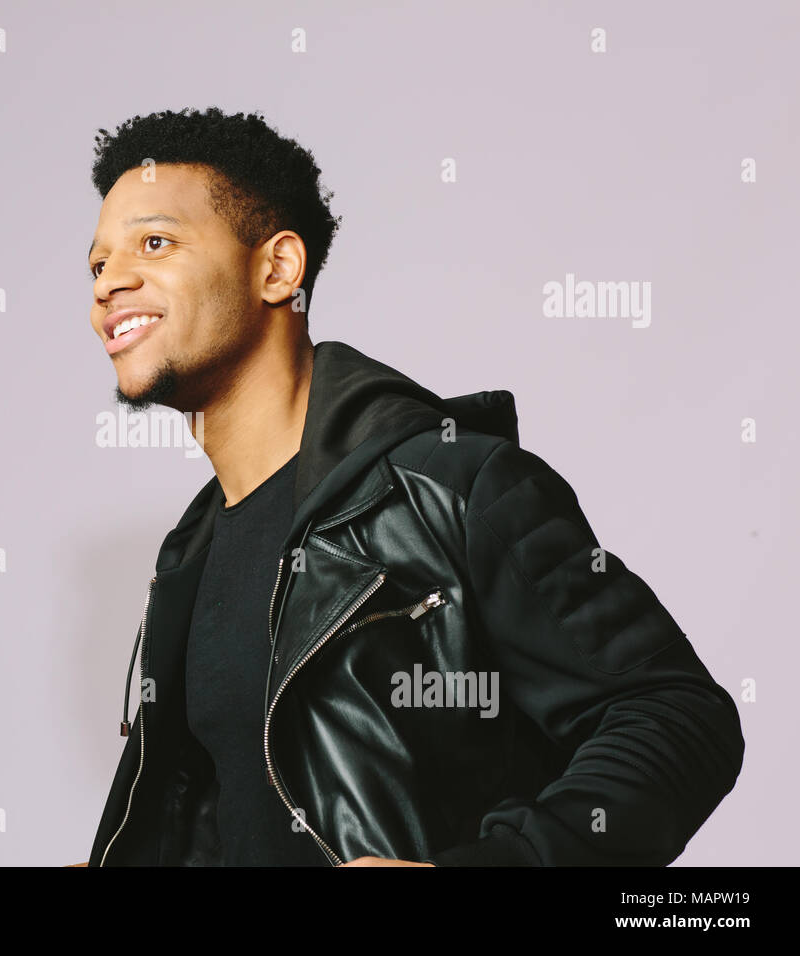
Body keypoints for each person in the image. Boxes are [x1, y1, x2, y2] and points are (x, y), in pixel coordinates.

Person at [77, 106, 744, 867]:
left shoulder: (450, 487)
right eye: (96, 265)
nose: (109, 284)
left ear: (277, 269)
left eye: (153, 243)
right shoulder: (188, 559)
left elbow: (678, 715)